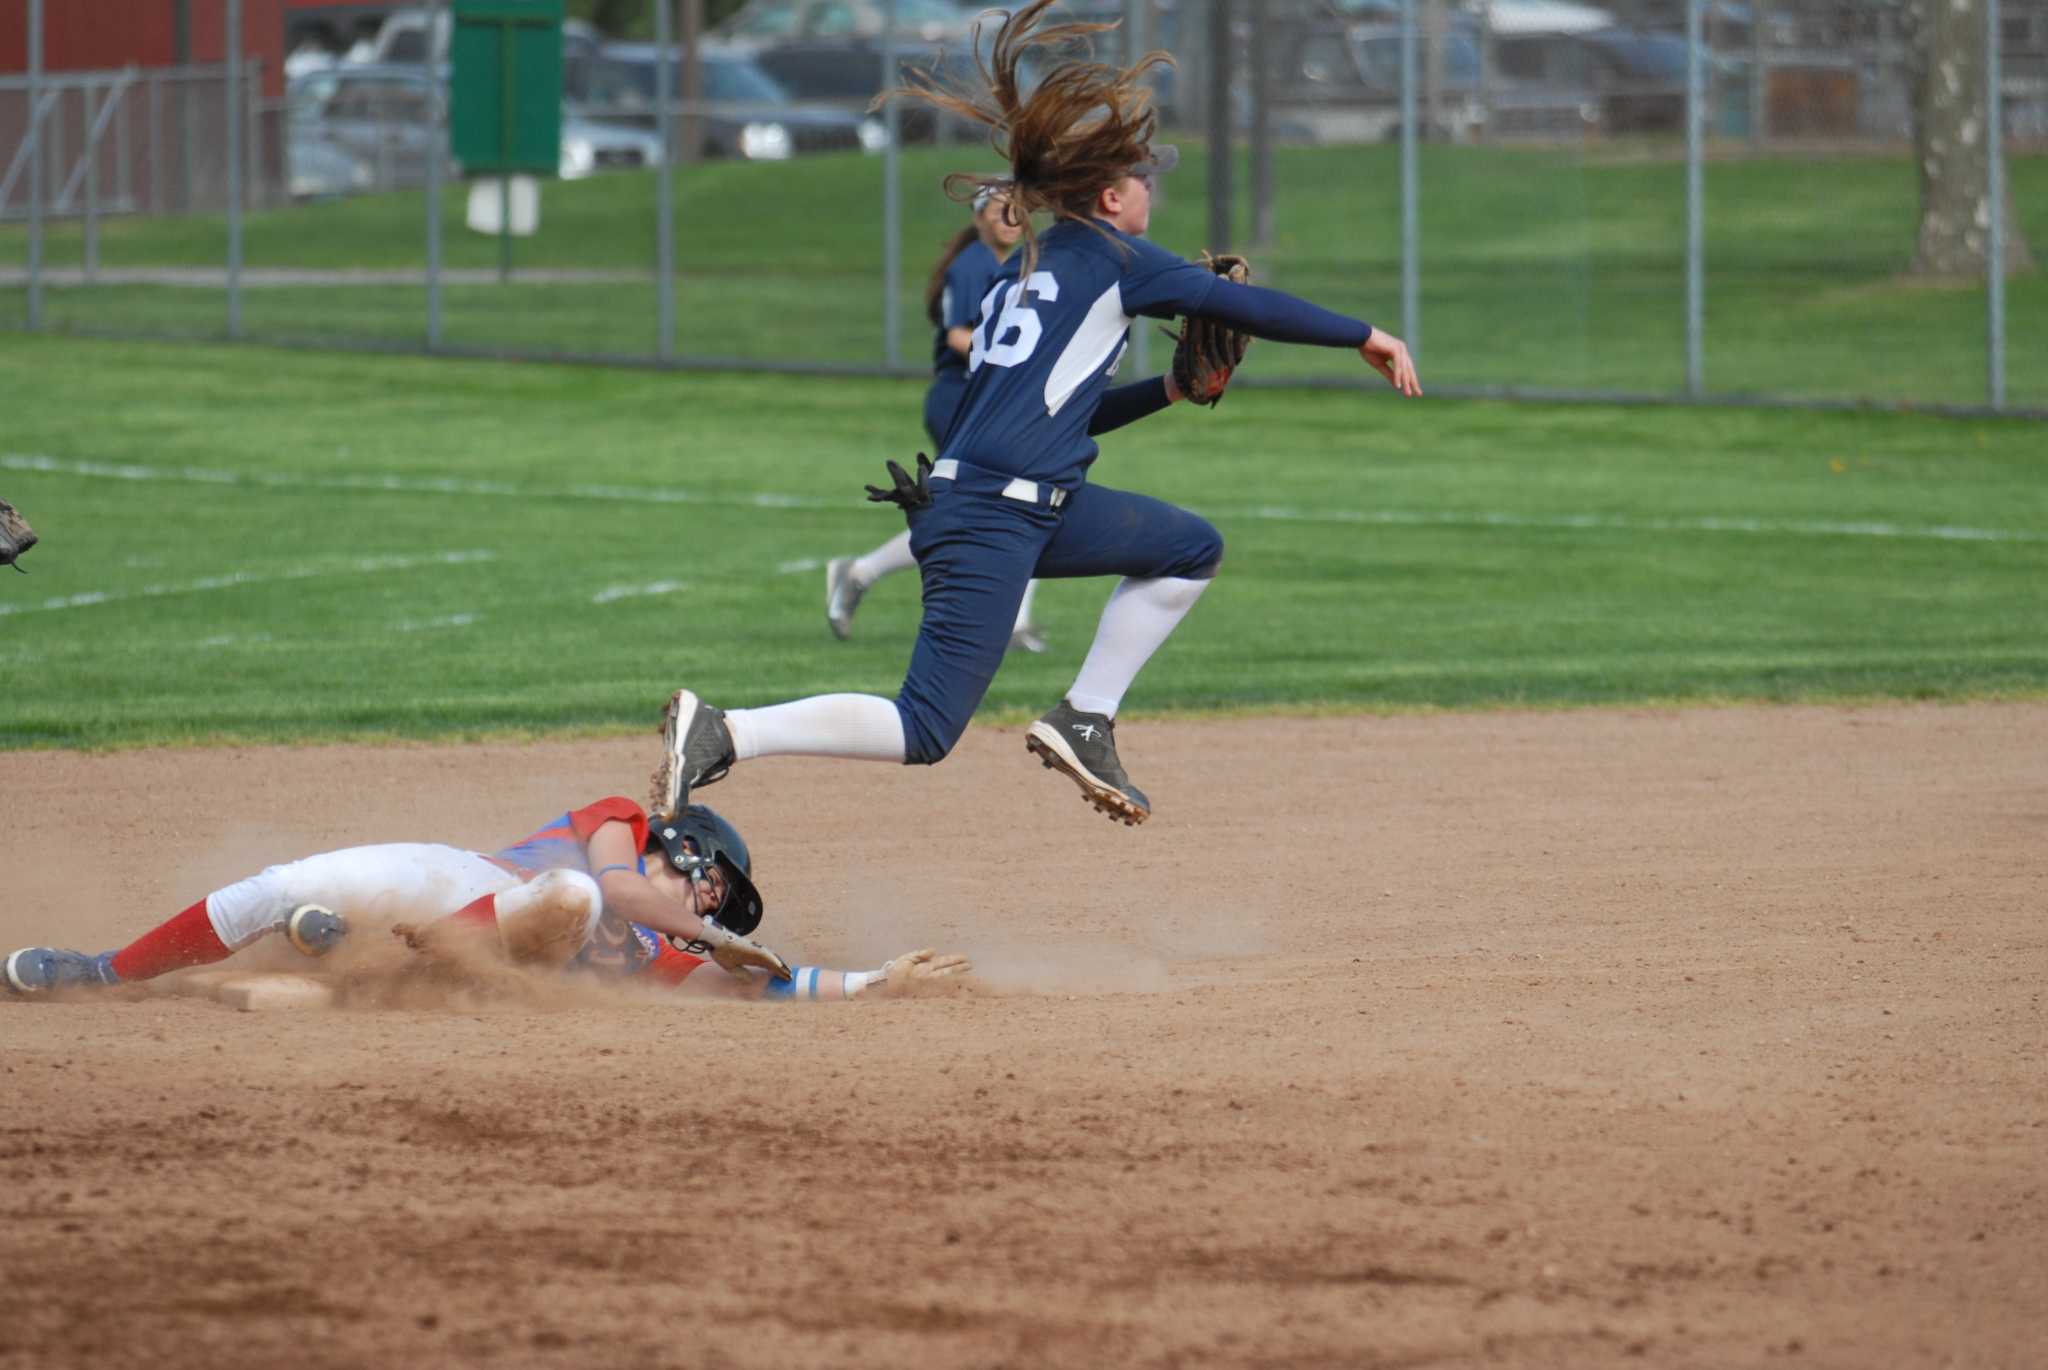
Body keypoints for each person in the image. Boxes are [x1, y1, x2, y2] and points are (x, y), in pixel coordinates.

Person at [647, 0, 1420, 830]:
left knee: (1189, 548)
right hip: (996, 515)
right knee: (925, 726)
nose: (1152, 191)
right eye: (1145, 180)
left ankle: (1085, 717)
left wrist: (1166, 390)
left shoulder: (1036, 272)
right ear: (1114, 196)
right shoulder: (1119, 259)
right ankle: (727, 732)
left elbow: (1064, 419)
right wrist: (1364, 335)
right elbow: (1253, 304)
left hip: (1016, 500)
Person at [3, 797, 967, 1003]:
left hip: (463, 970)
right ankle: (103, 969)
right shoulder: (625, 827)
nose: (706, 899)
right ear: (681, 844)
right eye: (708, 877)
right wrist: (712, 931)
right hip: (463, 882)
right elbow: (619, 884)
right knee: (279, 887)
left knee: (573, 909)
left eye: (716, 897)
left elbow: (780, 985)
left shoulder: (674, 959)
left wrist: (873, 979)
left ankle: (342, 958)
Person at [824, 182, 1048, 654]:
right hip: (961, 400)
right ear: (980, 217)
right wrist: (1024, 366)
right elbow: (958, 338)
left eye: (1019, 209)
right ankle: (861, 573)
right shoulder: (973, 265)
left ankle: (861, 573)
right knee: (1008, 503)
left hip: (991, 404)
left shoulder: (1017, 264)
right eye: (1001, 209)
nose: (1012, 216)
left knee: (1016, 502)